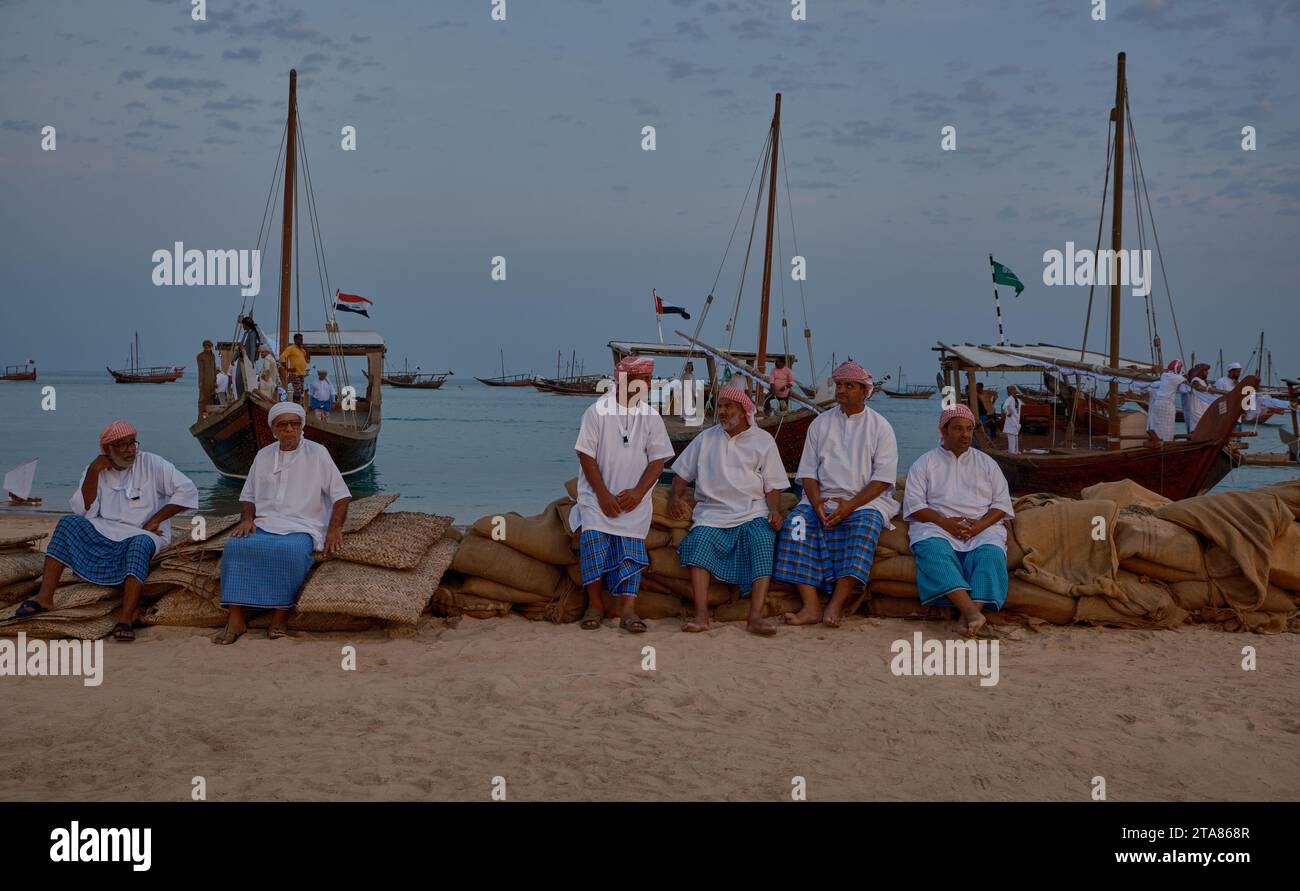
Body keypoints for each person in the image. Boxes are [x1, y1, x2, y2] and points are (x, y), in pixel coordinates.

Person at [13, 421, 198, 642]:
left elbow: (187, 490)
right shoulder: (95, 469)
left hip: (144, 532)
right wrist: (94, 470)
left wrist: (156, 519)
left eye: (132, 443)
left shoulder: (152, 463)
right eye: (122, 445)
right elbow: (84, 510)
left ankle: (125, 619)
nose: (130, 449)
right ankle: (45, 597)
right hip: (105, 528)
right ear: (107, 450)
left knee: (139, 545)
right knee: (67, 523)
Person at [773, 359, 898, 627]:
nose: (841, 391)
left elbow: (883, 480)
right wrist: (816, 501)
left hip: (865, 503)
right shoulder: (820, 423)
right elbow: (807, 472)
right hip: (820, 499)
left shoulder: (881, 427)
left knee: (865, 529)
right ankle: (811, 606)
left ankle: (835, 605)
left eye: (849, 386)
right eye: (839, 385)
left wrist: (850, 506)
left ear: (865, 391)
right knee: (795, 526)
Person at [215, 402, 351, 644]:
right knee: (236, 546)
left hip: (303, 525)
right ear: (274, 430)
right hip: (265, 523)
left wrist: (334, 529)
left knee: (290, 551)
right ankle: (236, 618)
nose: (289, 429)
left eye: (294, 424)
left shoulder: (318, 453)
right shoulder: (263, 455)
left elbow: (341, 496)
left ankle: (279, 617)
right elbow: (248, 496)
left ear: (301, 427)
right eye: (283, 425)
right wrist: (247, 519)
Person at [668, 385, 788, 635]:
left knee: (764, 539)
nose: (721, 411)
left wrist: (774, 511)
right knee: (698, 543)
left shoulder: (763, 440)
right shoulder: (705, 438)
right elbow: (681, 474)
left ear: (744, 410)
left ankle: (755, 617)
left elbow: (773, 486)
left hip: (752, 511)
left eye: (727, 407)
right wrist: (674, 498)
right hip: (711, 514)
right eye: (719, 407)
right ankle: (701, 616)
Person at [570, 355, 675, 633]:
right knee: (593, 542)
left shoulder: (651, 417)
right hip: (597, 497)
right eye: (645, 379)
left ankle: (628, 610)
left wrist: (639, 493)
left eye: (651, 379)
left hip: (634, 501)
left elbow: (658, 460)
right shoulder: (597, 412)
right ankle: (595, 605)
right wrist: (603, 495)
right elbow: (586, 455)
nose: (650, 384)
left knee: (631, 551)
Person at [903, 404, 1013, 637]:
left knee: (992, 555)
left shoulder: (987, 463)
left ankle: (968, 615)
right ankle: (972, 613)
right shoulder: (925, 463)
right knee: (931, 551)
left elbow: (1002, 504)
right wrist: (946, 524)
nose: (965, 434)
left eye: (969, 429)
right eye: (958, 429)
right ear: (943, 431)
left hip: (981, 526)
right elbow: (915, 505)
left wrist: (979, 526)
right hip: (937, 526)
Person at [1146, 359, 1185, 443]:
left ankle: (1158, 440)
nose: (1180, 370)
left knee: (1158, 425)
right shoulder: (1177, 377)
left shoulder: (1164, 375)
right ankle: (1166, 443)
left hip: (1157, 404)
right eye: (1179, 368)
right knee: (1168, 427)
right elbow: (1186, 384)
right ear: (1177, 368)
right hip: (1167, 405)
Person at [280, 332, 310, 405]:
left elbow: (308, 360)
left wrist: (307, 350)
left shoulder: (302, 350)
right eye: (300, 340)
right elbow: (282, 357)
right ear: (295, 340)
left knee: (301, 391)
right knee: (298, 390)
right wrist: (287, 369)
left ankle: (298, 404)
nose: (301, 341)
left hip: (301, 374)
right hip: (294, 373)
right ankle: (296, 404)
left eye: (302, 340)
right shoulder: (291, 348)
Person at [1182, 363, 1213, 433]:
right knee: (1197, 431)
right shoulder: (1195, 380)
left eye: (1207, 370)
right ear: (1200, 371)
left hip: (1205, 411)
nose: (1207, 372)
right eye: (1205, 370)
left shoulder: (1205, 382)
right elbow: (1199, 388)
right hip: (1198, 411)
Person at [197, 339, 217, 419]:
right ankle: (201, 418)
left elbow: (214, 368)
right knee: (203, 401)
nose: (208, 348)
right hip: (204, 382)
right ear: (203, 347)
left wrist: (215, 380)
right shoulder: (200, 356)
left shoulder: (213, 356)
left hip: (212, 382)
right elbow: (200, 370)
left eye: (209, 346)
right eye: (206, 346)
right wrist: (201, 383)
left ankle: (209, 417)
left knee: (211, 400)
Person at [1000, 384, 1022, 453]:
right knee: (1013, 437)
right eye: (1014, 390)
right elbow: (1005, 407)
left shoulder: (1013, 399)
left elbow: (1004, 407)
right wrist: (1008, 412)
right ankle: (1014, 451)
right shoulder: (1013, 399)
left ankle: (1014, 451)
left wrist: (1007, 413)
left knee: (1013, 437)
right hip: (1013, 421)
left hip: (1014, 420)